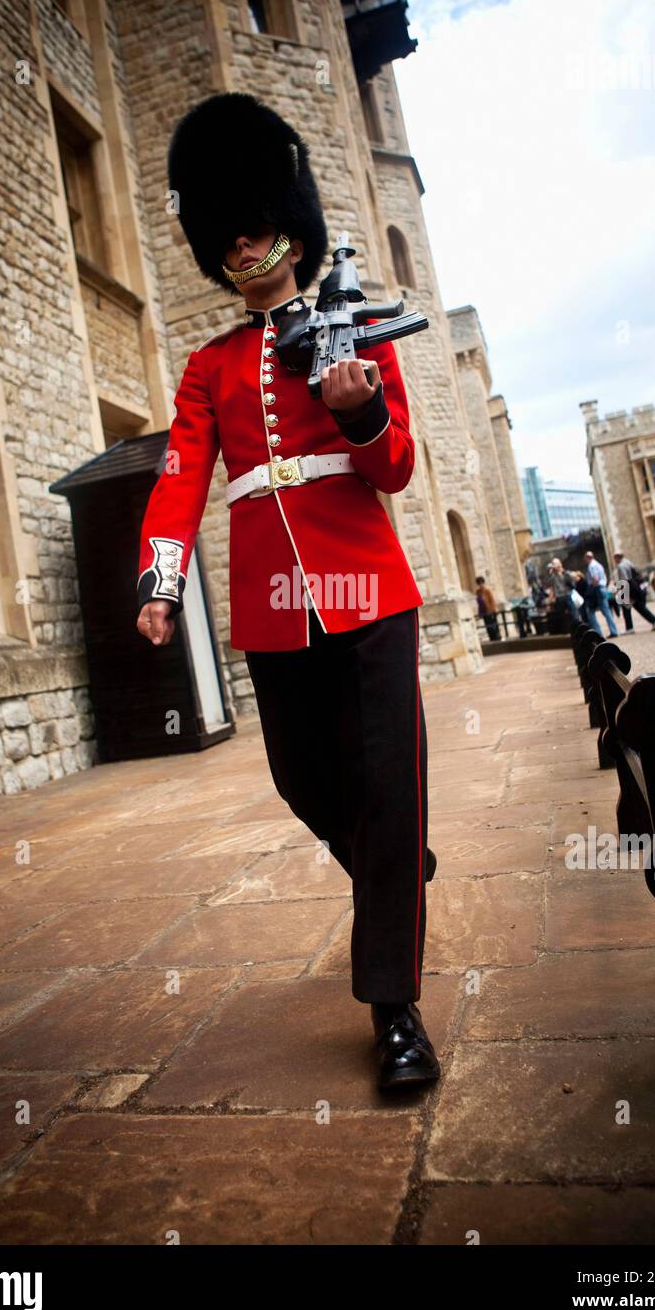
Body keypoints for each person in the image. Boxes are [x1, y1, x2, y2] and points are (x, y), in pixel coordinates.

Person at [135, 93, 439, 1091]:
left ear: (288, 226)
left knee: (389, 789)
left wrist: (355, 416)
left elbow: (392, 468)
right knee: (304, 781)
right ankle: (389, 865)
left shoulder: (359, 327)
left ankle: (393, 1010)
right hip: (273, 602)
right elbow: (182, 476)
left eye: (256, 223)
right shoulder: (208, 365)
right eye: (223, 232)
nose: (241, 244)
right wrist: (160, 578)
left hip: (369, 591)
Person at [612, 552, 655, 632]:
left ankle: (630, 628)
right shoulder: (628, 562)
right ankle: (654, 620)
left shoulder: (621, 566)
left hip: (629, 589)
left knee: (628, 608)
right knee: (638, 607)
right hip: (636, 587)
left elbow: (624, 580)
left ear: (617, 557)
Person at [583, 551, 619, 637]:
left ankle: (598, 633)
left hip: (597, 589)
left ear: (587, 557)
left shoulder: (592, 566)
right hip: (602, 588)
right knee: (606, 611)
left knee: (591, 611)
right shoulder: (598, 564)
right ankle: (613, 631)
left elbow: (595, 579)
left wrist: (591, 589)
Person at [547, 557, 579, 628]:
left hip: (568, 596)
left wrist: (561, 571)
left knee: (574, 615)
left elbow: (573, 579)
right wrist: (551, 572)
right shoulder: (552, 575)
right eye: (553, 564)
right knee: (562, 617)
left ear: (560, 564)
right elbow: (550, 585)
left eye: (555, 564)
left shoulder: (565, 572)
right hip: (559, 598)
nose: (554, 565)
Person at [475, 575, 501, 640]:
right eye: (479, 583)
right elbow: (479, 603)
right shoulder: (478, 592)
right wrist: (479, 613)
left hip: (490, 610)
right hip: (483, 611)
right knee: (488, 626)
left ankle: (497, 637)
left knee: (493, 625)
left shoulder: (487, 591)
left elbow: (492, 601)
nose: (480, 584)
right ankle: (491, 638)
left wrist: (492, 610)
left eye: (481, 583)